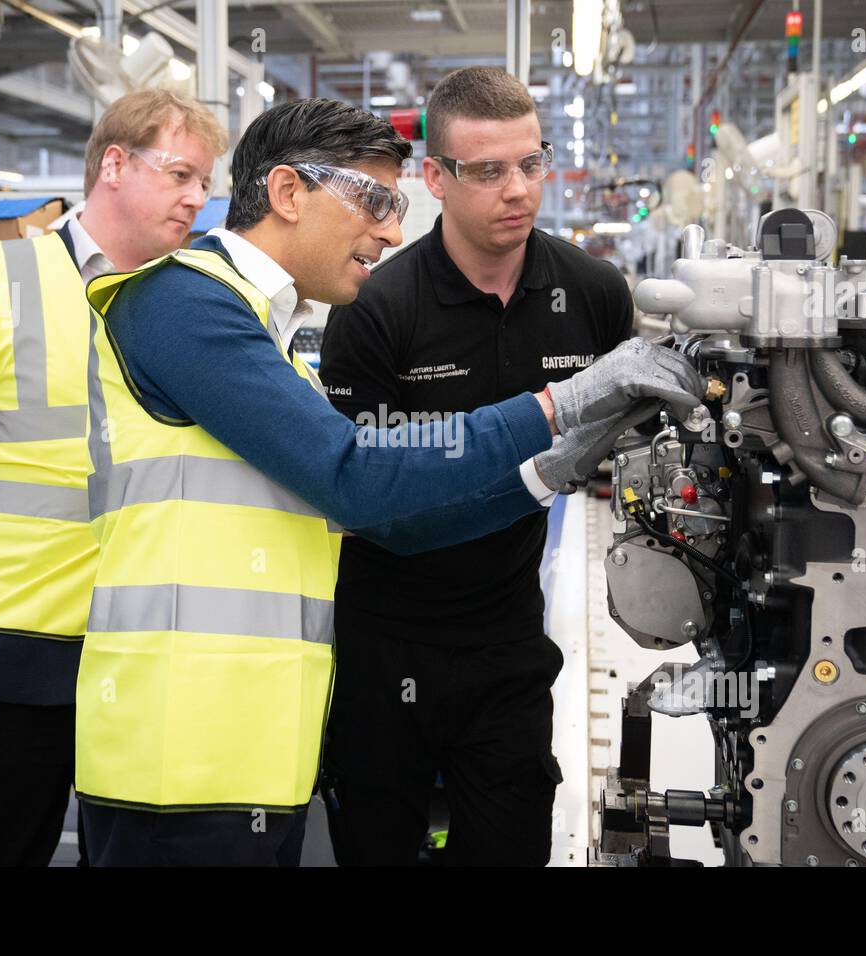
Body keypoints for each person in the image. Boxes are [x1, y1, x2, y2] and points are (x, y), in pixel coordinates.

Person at [72, 96, 702, 866]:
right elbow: (358, 477)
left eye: (396, 204)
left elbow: (380, 494)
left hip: (242, 748)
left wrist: (544, 473)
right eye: (372, 200)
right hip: (177, 755)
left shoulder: (261, 334)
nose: (391, 230)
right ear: (288, 192)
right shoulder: (182, 305)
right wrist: (556, 406)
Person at [315, 67, 641, 866]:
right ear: (435, 178)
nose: (518, 188)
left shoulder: (592, 293)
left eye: (531, 162)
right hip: (380, 644)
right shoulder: (376, 309)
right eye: (488, 170)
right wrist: (535, 471)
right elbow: (370, 506)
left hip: (504, 643)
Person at [0, 88, 227, 867]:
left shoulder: (196, 294)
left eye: (204, 183)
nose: (197, 198)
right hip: (23, 645)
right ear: (114, 163)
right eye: (181, 174)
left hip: (150, 647)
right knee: (0, 852)